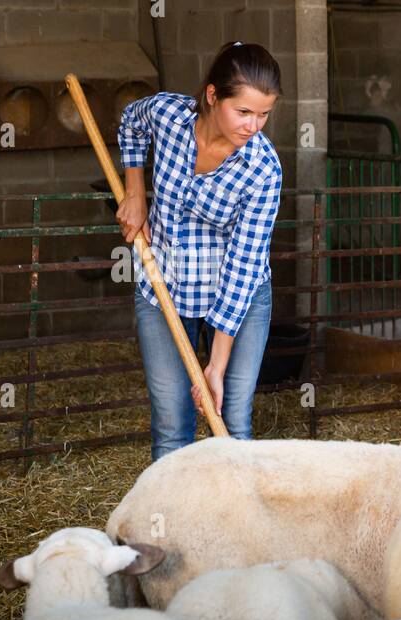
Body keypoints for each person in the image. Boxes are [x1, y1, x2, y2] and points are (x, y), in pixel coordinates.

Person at [116, 41, 284, 460]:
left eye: (264, 114)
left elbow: (243, 266)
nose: (254, 126)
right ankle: (167, 524)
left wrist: (216, 365)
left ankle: (232, 523)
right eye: (243, 112)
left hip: (239, 298)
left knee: (231, 421)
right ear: (212, 96)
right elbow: (130, 123)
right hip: (164, 285)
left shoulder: (262, 169)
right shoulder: (170, 116)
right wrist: (135, 191)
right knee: (173, 428)